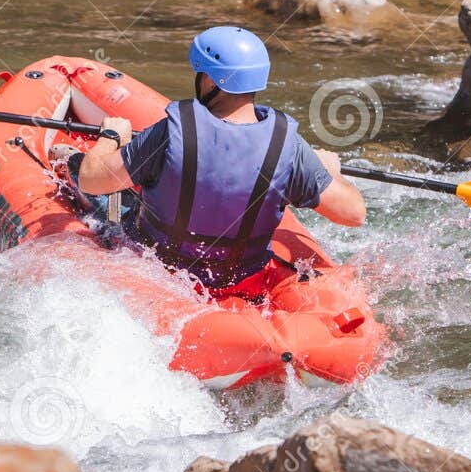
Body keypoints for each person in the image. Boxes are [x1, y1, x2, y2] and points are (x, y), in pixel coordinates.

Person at [75, 26, 365, 296]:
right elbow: (353, 215)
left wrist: (112, 135)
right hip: (238, 280)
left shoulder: (170, 132)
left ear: (211, 81)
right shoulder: (288, 147)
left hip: (155, 270)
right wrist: (330, 173)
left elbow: (91, 179)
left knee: (78, 170)